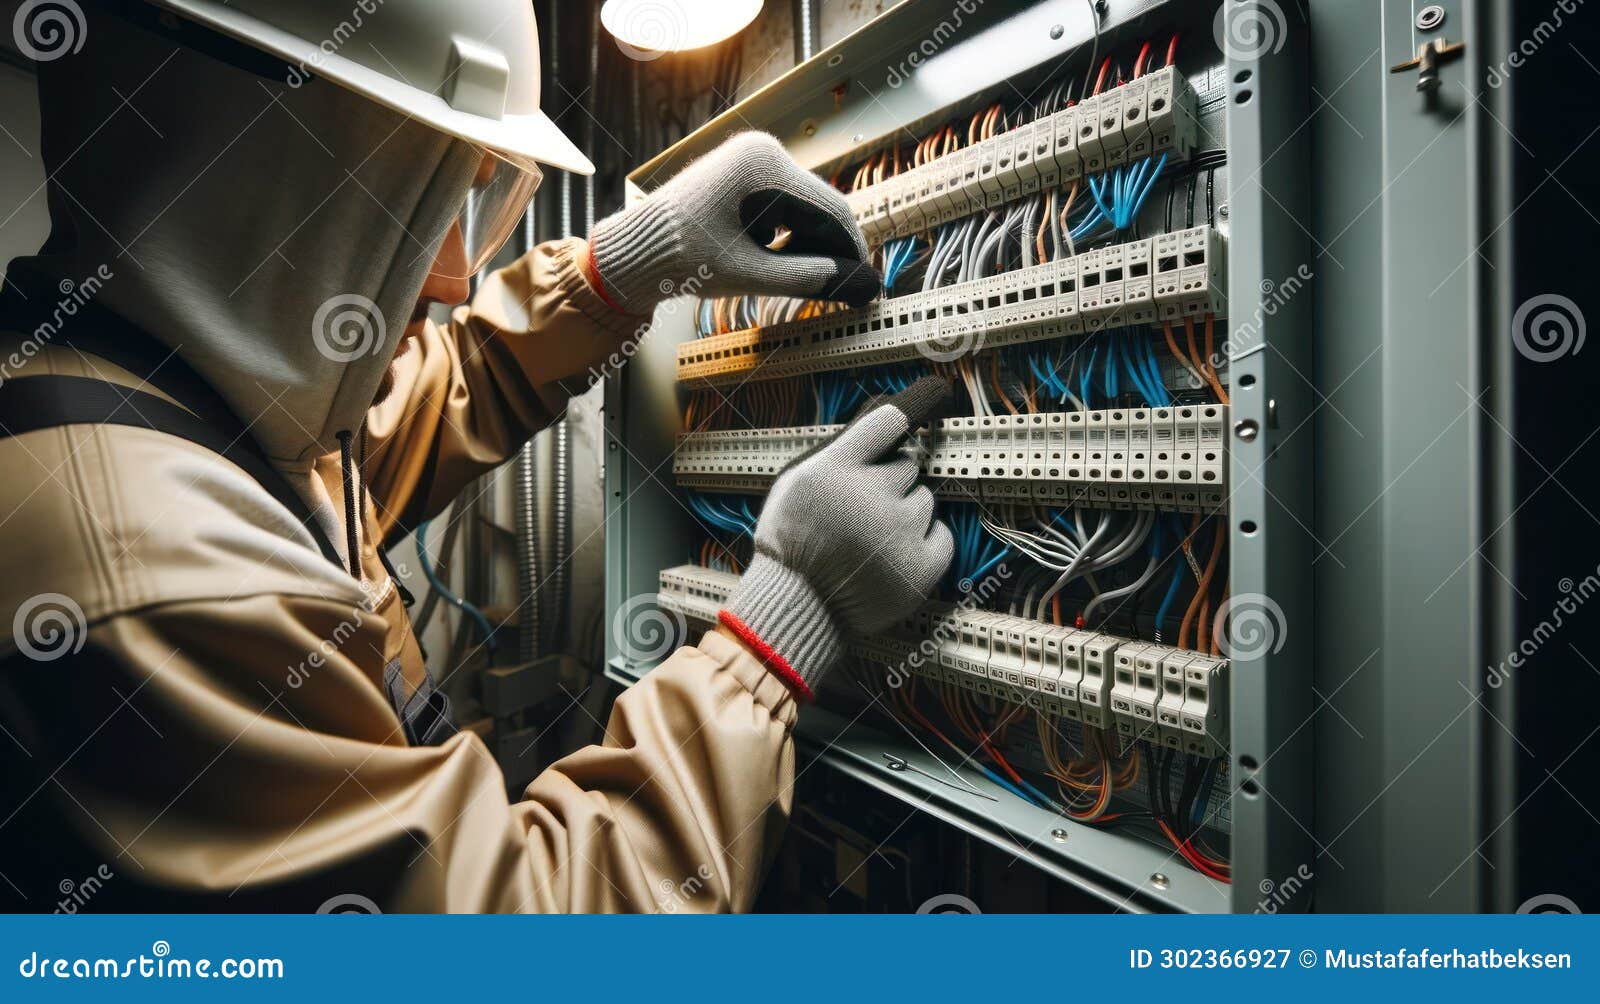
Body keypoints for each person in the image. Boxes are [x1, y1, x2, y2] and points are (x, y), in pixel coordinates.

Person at [0, 0, 951, 911]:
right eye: (424, 199)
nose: (455, 277)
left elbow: (397, 428)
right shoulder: (152, 574)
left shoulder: (158, 402)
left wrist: (624, 267)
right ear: (267, 171)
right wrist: (784, 626)